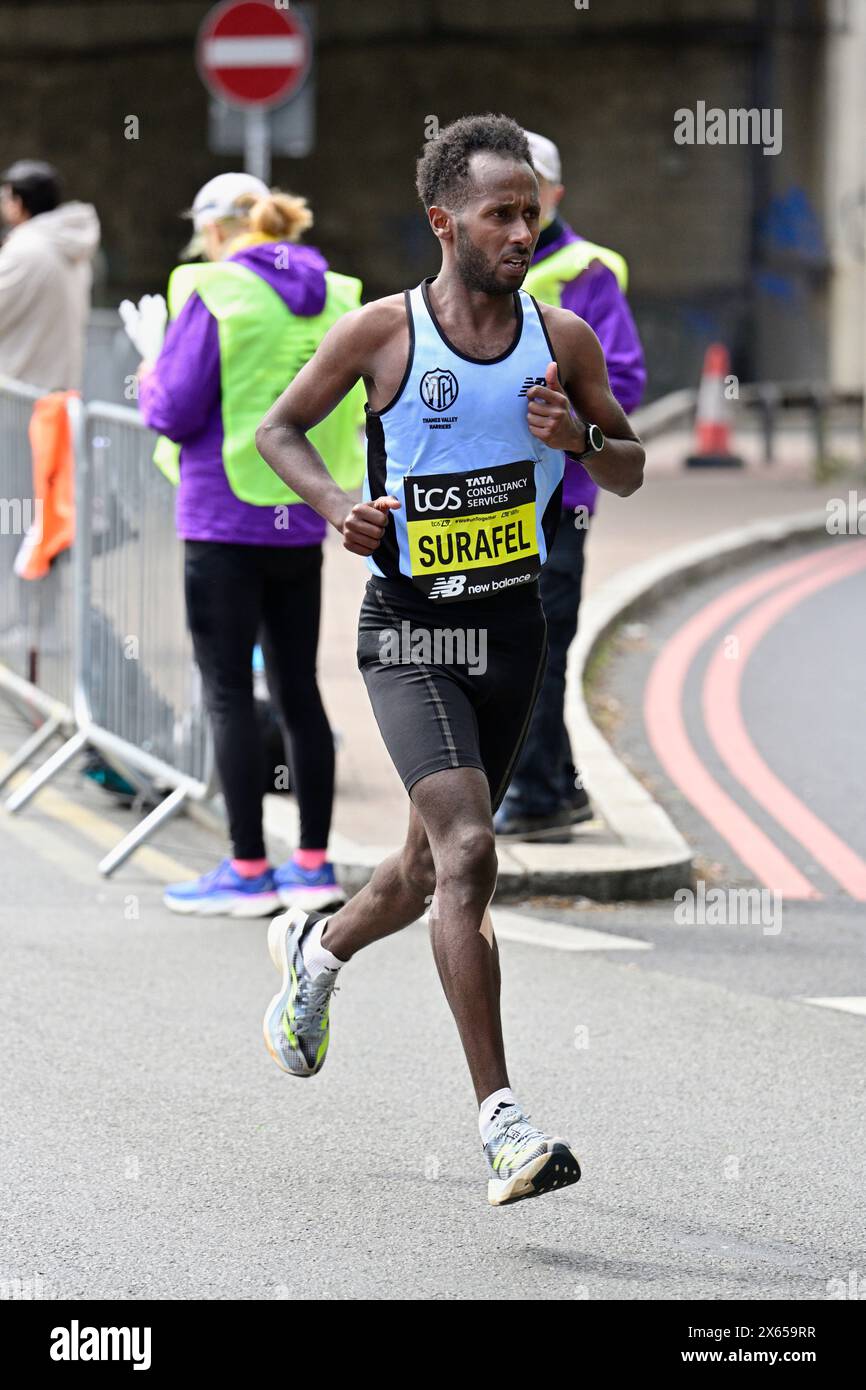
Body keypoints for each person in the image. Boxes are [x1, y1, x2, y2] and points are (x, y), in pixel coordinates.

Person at [256, 114, 644, 1206]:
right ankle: (503, 1123)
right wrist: (339, 505)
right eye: (501, 214)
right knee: (470, 847)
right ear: (444, 222)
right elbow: (279, 431)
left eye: (531, 211)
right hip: (412, 629)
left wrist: (578, 441)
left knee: (427, 866)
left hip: (511, 629)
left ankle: (317, 950)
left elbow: (632, 468)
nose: (523, 229)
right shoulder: (381, 333)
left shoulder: (560, 336)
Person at [138, 173, 365, 917]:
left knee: (230, 691)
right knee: (299, 688)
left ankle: (244, 869)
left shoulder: (216, 290)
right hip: (302, 511)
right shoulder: (337, 292)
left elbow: (173, 411)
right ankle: (312, 867)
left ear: (213, 230)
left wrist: (148, 372)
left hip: (223, 513)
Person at [493, 130, 646, 840]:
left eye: (533, 193)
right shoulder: (482, 266)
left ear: (554, 194)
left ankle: (540, 790)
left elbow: (627, 379)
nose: (519, 213)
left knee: (543, 643)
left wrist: (555, 413)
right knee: (511, 643)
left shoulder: (588, 271)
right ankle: (543, 786)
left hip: (562, 496)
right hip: (492, 489)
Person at [0, 160, 99, 390]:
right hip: (58, 396)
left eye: (5, 198)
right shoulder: (70, 247)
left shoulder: (26, 249)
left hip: (19, 393)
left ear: (18, 203)